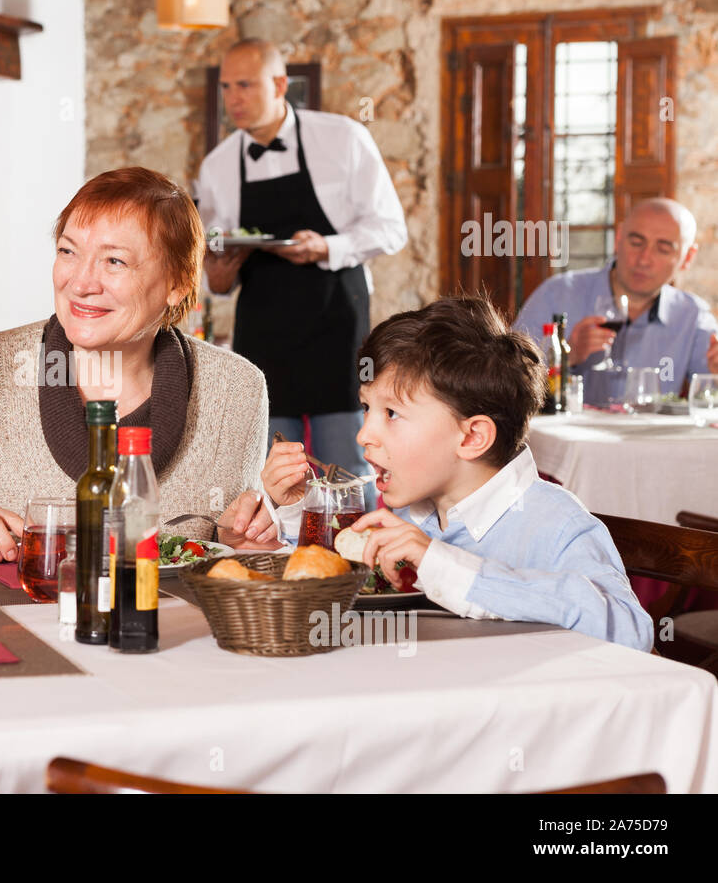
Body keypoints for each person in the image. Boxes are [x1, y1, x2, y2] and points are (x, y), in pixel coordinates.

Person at [0, 167, 280, 567]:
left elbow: (236, 560)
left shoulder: (236, 389)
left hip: (167, 640)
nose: (80, 283)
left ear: (178, 284)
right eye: (67, 251)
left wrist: (240, 544)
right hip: (10, 638)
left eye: (114, 261)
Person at [225, 296, 652, 651]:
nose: (364, 435)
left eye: (392, 413)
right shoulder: (415, 514)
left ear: (471, 437)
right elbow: (349, 588)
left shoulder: (553, 522)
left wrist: (442, 564)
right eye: (366, 408)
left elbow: (632, 632)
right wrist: (288, 521)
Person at [197, 38, 407, 507]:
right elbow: (217, 276)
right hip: (264, 331)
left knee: (349, 468)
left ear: (279, 85)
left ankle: (358, 566)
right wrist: (220, 270)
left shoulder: (344, 138)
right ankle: (282, 569)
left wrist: (325, 246)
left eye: (245, 85)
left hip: (336, 324)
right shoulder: (217, 166)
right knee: (272, 468)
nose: (233, 98)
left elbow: (391, 230)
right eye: (227, 86)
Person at [513, 197, 718, 397]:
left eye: (663, 249)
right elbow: (506, 379)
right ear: (618, 239)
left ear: (688, 257)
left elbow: (710, 394)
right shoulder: (557, 294)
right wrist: (569, 355)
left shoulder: (694, 316)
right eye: (636, 242)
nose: (644, 259)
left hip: (650, 431)